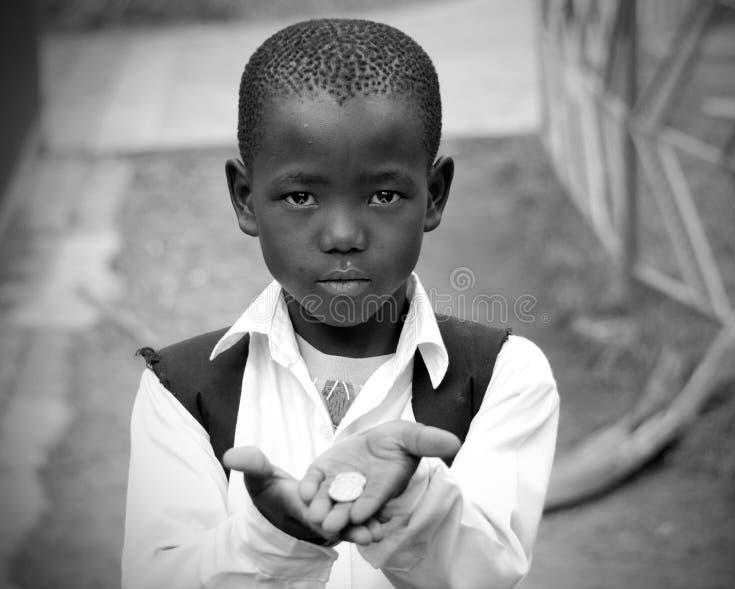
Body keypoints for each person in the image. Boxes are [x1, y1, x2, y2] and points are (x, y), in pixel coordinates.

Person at [122, 18, 559, 589]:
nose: (344, 234)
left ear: (435, 195)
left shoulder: (503, 376)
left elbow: (487, 574)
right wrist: (277, 537)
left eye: (384, 194)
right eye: (301, 196)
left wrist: (407, 503)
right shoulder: (183, 391)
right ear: (245, 199)